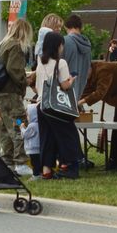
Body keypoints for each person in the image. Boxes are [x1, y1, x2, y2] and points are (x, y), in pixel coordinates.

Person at [34, 29, 80, 179]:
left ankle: (46, 170)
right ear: (58, 45)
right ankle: (70, 166)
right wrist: (72, 80)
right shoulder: (61, 63)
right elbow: (65, 85)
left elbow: (37, 84)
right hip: (55, 107)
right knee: (68, 135)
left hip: (41, 105)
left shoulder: (40, 61)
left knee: (47, 137)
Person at [0, 17, 34, 175]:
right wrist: (25, 81)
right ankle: (21, 162)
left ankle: (7, 161)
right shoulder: (16, 46)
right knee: (19, 125)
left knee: (4, 127)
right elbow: (14, 70)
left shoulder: (3, 43)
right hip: (10, 94)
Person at [63, 14, 93, 112]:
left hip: (64, 92)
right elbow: (88, 71)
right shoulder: (87, 45)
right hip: (79, 91)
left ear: (66, 27)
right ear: (81, 27)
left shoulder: (65, 41)